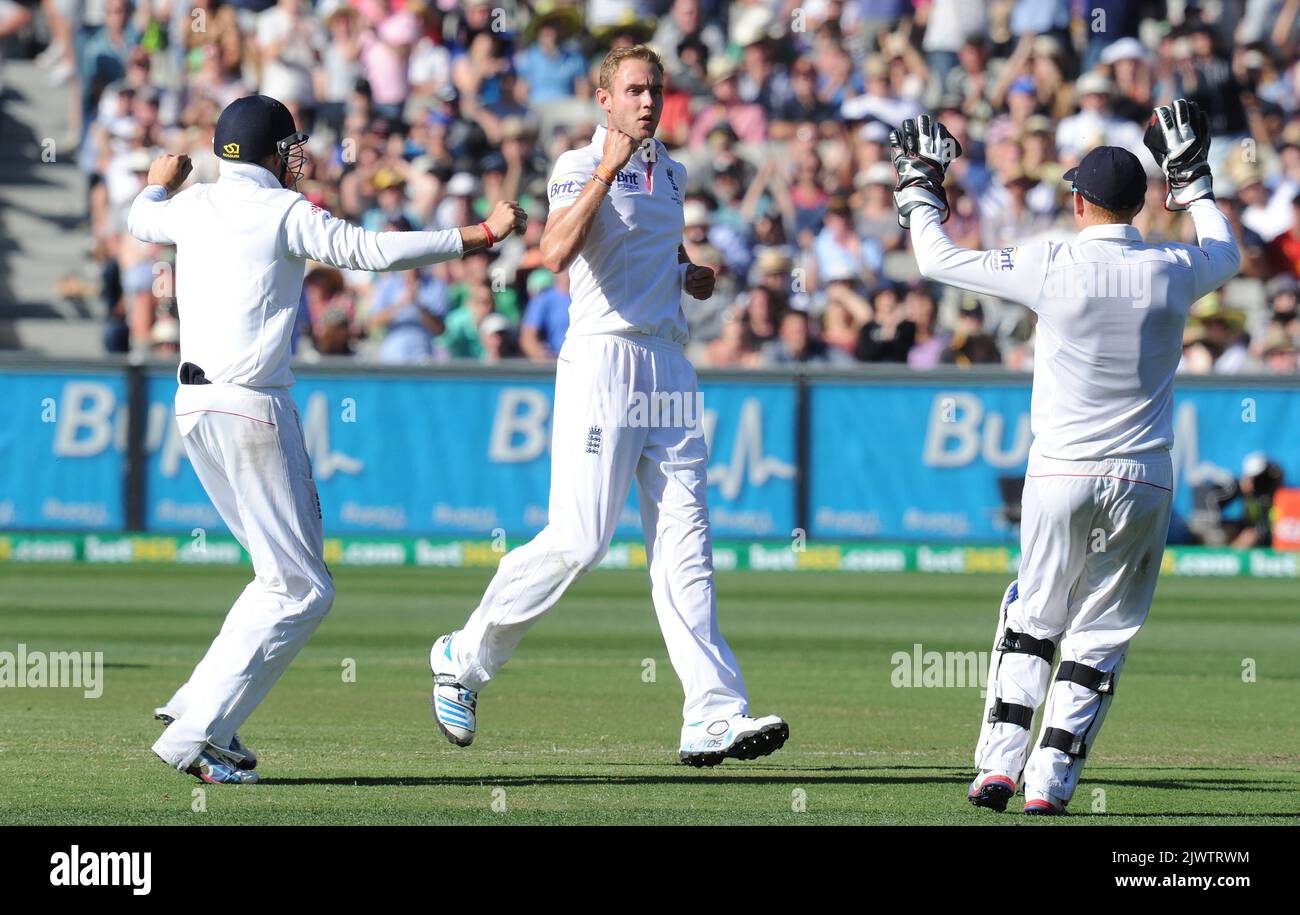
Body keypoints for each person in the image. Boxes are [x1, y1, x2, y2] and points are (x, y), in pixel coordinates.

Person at [127, 94, 526, 784]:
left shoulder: (190, 204)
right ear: (267, 151)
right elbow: (369, 250)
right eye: (290, 145)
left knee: (277, 578)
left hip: (193, 408)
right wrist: (477, 235)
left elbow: (139, 217)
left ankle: (197, 706)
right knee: (304, 590)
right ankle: (196, 735)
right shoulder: (284, 212)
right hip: (253, 406)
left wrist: (161, 176)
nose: (299, 156)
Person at [428, 46, 788, 767]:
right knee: (581, 539)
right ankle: (463, 658)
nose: (648, 102)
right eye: (633, 91)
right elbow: (555, 253)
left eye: (655, 90)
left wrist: (690, 273)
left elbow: (654, 252)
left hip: (670, 364)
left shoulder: (673, 173)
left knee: (687, 548)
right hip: (604, 361)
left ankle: (712, 714)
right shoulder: (573, 165)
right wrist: (605, 168)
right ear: (604, 99)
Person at [888, 103, 1239, 814]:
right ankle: (1051, 781)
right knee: (1100, 633)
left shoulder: (1051, 259)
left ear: (1079, 200)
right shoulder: (1175, 267)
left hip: (1059, 474)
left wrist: (921, 185)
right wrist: (1195, 180)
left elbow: (936, 258)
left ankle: (997, 767)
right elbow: (1226, 250)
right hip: (1143, 477)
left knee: (1034, 617)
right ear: (1143, 202)